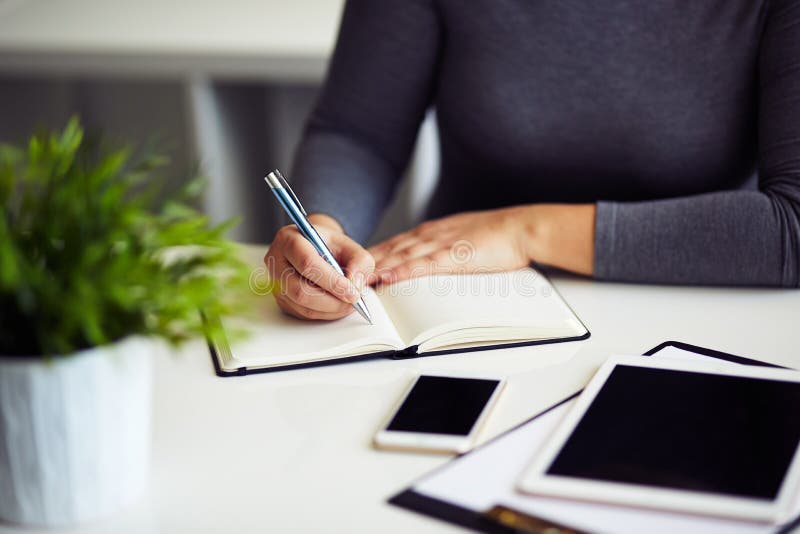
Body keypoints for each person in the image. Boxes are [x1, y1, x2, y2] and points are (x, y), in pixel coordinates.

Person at [265, 0, 800, 321]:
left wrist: (525, 231)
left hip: (703, 311)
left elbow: (792, 224)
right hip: (465, 302)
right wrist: (324, 226)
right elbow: (358, 132)